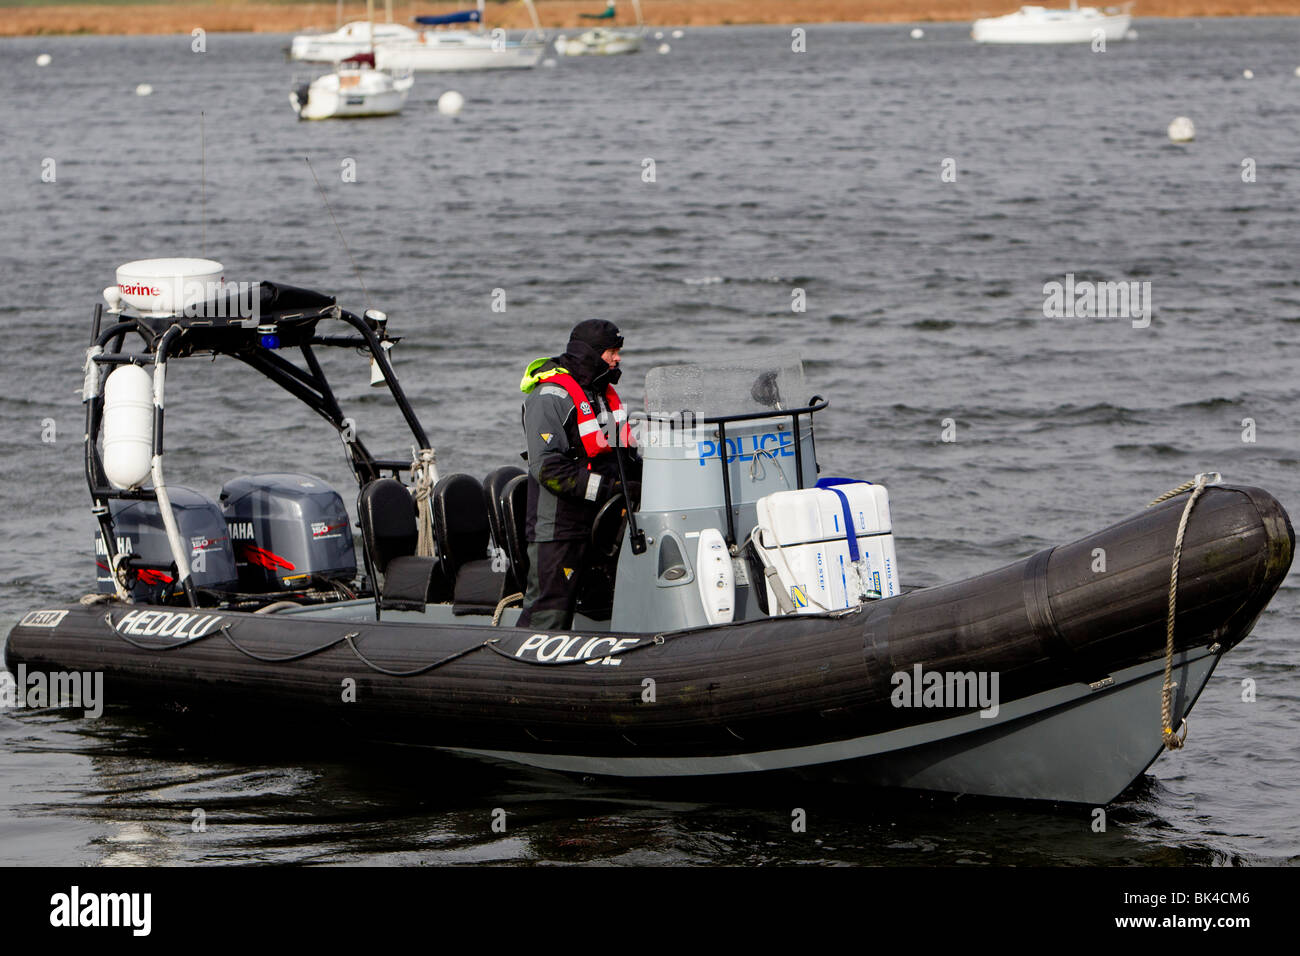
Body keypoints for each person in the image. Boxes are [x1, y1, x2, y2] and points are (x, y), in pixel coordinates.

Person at [516, 319, 641, 629]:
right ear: (591, 353)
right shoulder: (550, 397)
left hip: (603, 525)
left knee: (603, 607)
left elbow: (622, 454)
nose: (618, 358)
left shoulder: (602, 395)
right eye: (612, 351)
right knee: (549, 612)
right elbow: (548, 468)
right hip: (559, 529)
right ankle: (522, 670)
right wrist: (611, 489)